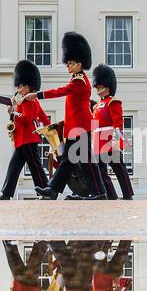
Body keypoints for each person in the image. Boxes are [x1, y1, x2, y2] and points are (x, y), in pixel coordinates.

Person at [30, 32, 106, 200]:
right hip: (75, 128)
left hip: (80, 128)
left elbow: (60, 91)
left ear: (79, 64)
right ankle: (53, 189)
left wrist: (38, 95)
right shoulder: (76, 79)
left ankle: (100, 193)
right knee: (67, 161)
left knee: (86, 163)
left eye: (70, 63)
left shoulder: (80, 82)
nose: (68, 66)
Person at [0, 60, 50, 200]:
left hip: (28, 139)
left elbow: (26, 118)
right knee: (13, 168)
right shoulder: (25, 102)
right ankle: (6, 194)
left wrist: (13, 113)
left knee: (35, 168)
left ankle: (46, 192)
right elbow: (43, 117)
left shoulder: (29, 101)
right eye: (18, 86)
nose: (19, 89)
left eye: (21, 86)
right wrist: (12, 112)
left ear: (29, 86)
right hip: (22, 139)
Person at [91, 64, 134, 200]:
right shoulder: (97, 105)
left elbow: (118, 123)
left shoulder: (113, 102)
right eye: (97, 87)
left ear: (108, 87)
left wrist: (120, 140)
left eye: (100, 87)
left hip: (109, 139)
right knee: (100, 171)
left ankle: (128, 195)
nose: (98, 90)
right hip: (98, 141)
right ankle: (111, 195)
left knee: (119, 169)